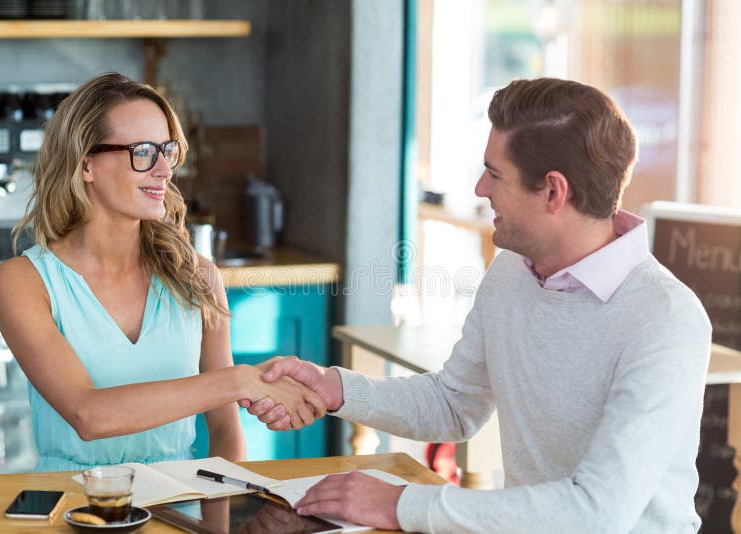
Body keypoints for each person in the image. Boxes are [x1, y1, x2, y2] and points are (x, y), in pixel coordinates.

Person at [242, 78, 712, 532]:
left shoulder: (665, 319)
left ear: (553, 191)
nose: (479, 189)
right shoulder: (513, 270)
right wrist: (336, 389)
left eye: (494, 173)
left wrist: (401, 504)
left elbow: (596, 513)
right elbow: (454, 405)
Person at [0, 72, 324, 472]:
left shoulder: (198, 278)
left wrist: (217, 522)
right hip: (72, 509)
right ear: (85, 165)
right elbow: (88, 416)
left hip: (178, 509)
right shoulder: (23, 282)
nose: (164, 170)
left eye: (168, 150)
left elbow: (225, 431)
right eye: (144, 151)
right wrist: (238, 381)